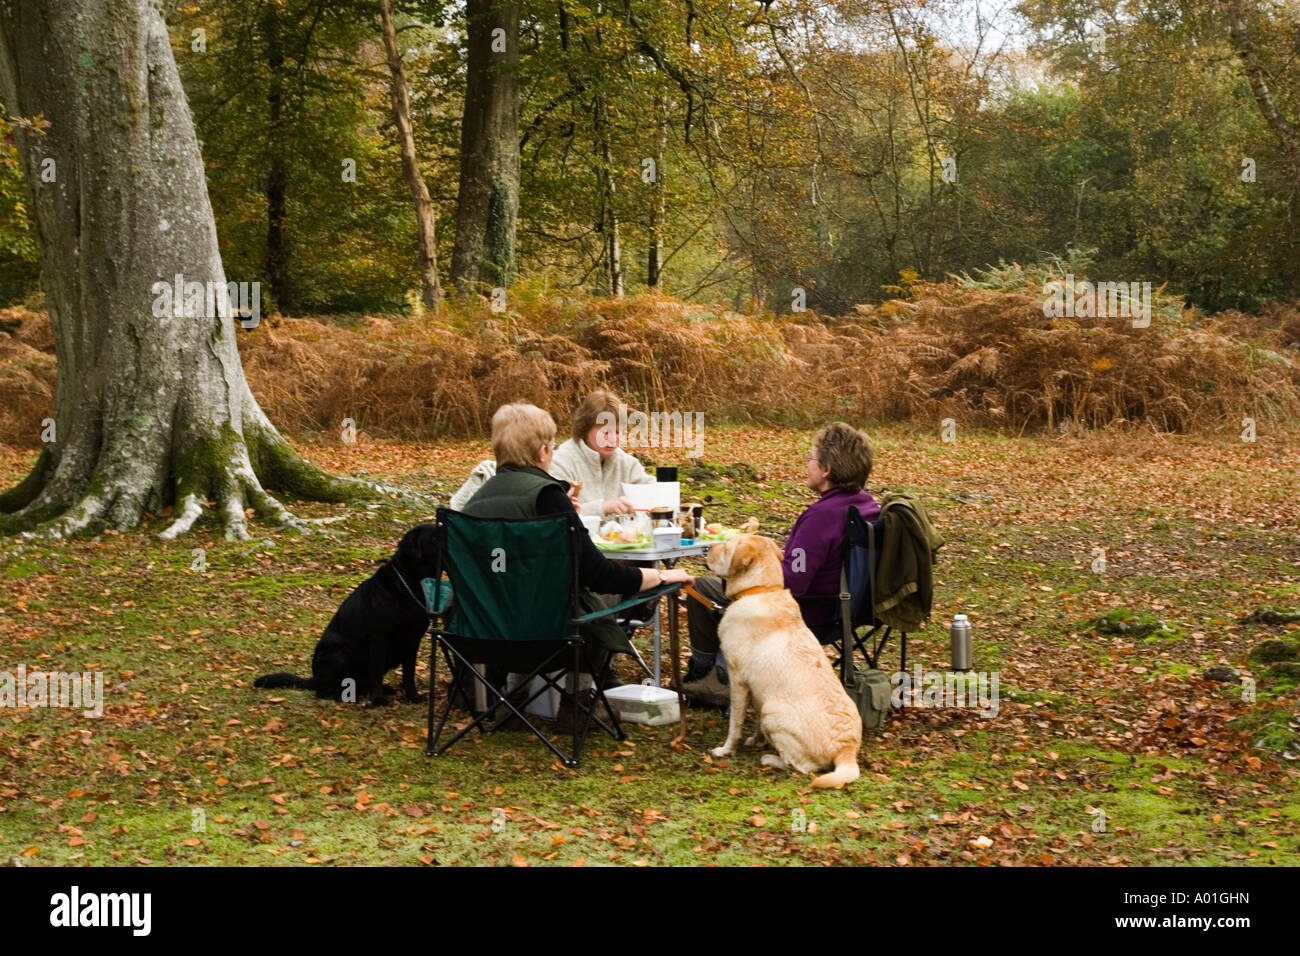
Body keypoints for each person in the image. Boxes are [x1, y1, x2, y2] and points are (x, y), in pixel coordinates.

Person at [459, 402, 693, 661]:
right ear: (542, 452)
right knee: (600, 595)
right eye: (551, 447)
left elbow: (499, 564)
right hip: (550, 639)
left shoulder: (472, 503)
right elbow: (600, 575)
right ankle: (582, 688)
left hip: (477, 635)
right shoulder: (547, 495)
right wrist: (663, 575)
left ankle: (510, 690)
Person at [682, 422, 880, 705]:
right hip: (850, 610)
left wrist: (746, 567)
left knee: (702, 587)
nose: (806, 466)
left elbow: (791, 583)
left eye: (810, 459)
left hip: (809, 613)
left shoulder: (821, 516)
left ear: (827, 470)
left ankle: (714, 676)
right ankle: (717, 671)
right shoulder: (867, 506)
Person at [548, 389, 655, 517]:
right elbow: (556, 514)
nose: (612, 439)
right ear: (585, 429)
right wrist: (603, 508)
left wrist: (642, 504)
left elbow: (654, 493)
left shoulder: (626, 463)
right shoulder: (560, 462)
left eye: (616, 432)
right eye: (605, 432)